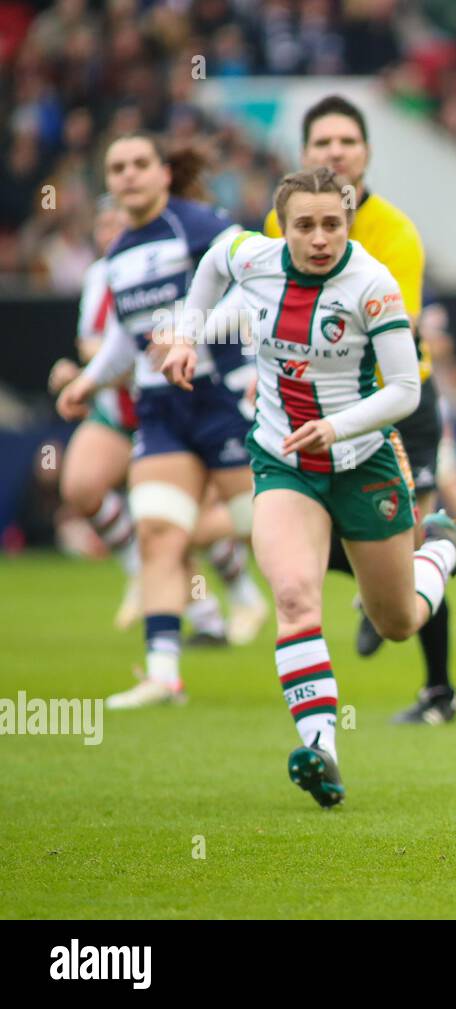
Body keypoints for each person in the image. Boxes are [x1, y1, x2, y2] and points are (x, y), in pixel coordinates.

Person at [162, 166, 456, 808]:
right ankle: (322, 750)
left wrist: (335, 427)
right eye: (303, 225)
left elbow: (404, 389)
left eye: (331, 224)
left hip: (364, 462)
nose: (318, 238)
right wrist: (185, 334)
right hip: (284, 462)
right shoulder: (252, 255)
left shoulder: (372, 285)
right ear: (282, 226)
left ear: (347, 223)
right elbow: (210, 265)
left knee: (397, 621)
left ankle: (443, 546)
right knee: (293, 598)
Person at [262, 95, 456, 726]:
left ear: (367, 154)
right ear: (304, 156)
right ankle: (385, 588)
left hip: (397, 403)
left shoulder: (394, 233)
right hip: (310, 409)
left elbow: (383, 347)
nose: (335, 152)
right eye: (323, 143)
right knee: (303, 545)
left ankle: (438, 689)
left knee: (409, 544)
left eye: (347, 141)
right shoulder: (276, 227)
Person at [56, 134, 254, 709]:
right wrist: (90, 381)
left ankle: (386, 567)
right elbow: (128, 336)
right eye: (116, 167)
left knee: (265, 526)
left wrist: (194, 332)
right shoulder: (117, 255)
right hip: (161, 407)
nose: (128, 175)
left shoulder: (200, 225)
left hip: (223, 398)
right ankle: (164, 674)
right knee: (158, 534)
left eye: (140, 164)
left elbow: (259, 291)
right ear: (108, 181)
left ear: (165, 173)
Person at [48, 198, 139, 629]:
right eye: (102, 222)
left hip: (168, 410)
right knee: (81, 485)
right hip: (115, 411)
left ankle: (237, 598)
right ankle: (141, 573)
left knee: (176, 519)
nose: (108, 232)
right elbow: (91, 343)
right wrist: (80, 371)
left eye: (117, 222)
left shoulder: (162, 265)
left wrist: (89, 370)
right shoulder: (98, 275)